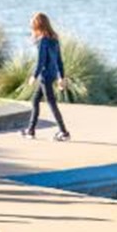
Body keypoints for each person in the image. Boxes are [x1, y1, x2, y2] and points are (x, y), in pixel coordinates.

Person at [22, 12, 71, 141]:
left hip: (45, 76)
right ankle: (31, 131)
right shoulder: (54, 38)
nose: (32, 28)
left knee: (51, 103)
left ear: (38, 26)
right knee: (35, 100)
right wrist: (61, 77)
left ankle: (64, 132)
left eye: (33, 25)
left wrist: (34, 75)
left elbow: (41, 60)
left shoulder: (43, 40)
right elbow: (59, 60)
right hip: (52, 74)